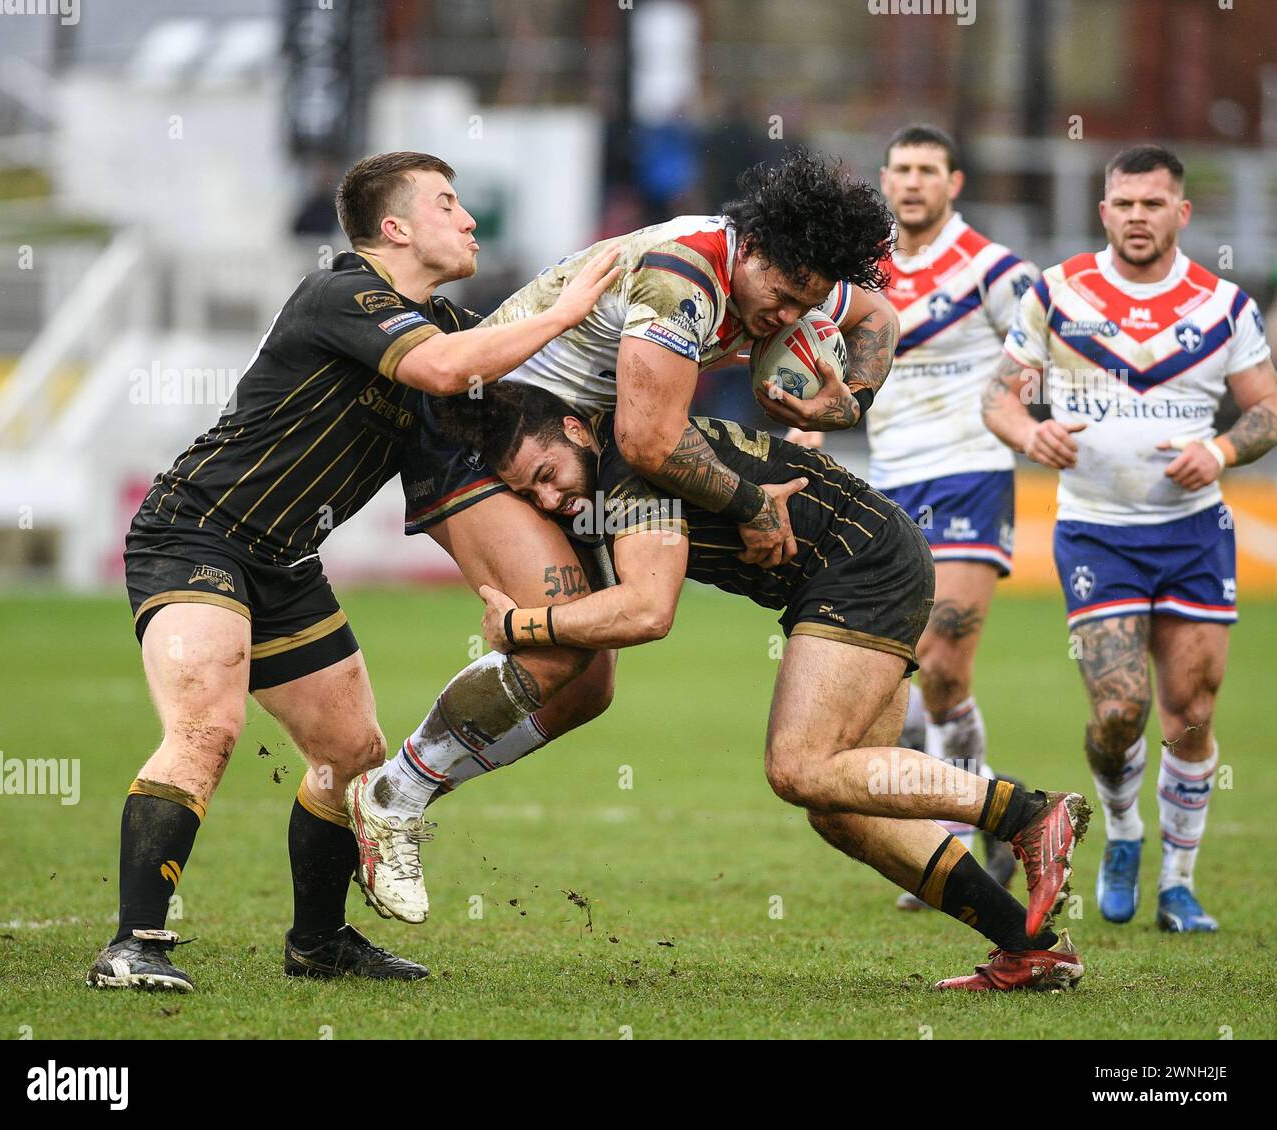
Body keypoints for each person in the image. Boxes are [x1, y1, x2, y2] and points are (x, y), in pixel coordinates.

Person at [87, 151, 621, 991]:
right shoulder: (343, 294)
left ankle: (319, 942)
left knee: (352, 752)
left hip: (285, 563)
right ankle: (132, 945)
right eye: (448, 203)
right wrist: (567, 310)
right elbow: (447, 369)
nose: (469, 220)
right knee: (206, 728)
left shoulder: (444, 324)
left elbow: (521, 381)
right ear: (395, 228)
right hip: (198, 535)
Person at [348, 149, 904, 922]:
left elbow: (879, 316)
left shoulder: (791, 268)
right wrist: (751, 504)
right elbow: (647, 441)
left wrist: (846, 404)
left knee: (587, 688)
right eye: (781, 298)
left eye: (804, 304)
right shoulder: (684, 276)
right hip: (482, 432)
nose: (787, 317)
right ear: (753, 249)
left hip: (569, 439)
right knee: (555, 647)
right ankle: (392, 798)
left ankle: (392, 800)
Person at [437, 381, 1090, 991]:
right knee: (842, 806)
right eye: (530, 493)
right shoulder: (621, 452)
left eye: (546, 475)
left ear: (576, 429)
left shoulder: (627, 467)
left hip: (860, 565)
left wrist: (521, 625)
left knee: (799, 766)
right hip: (867, 559)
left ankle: (1028, 816)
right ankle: (1030, 948)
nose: (548, 500)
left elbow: (647, 612)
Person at [983, 143, 1277, 932]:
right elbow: (1000, 398)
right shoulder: (1057, 294)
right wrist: (1030, 433)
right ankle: (1121, 832)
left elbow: (1267, 407)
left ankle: (1178, 885)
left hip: (1194, 533)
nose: (1137, 216)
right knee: (1120, 711)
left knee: (1191, 713)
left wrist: (1220, 451)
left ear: (1182, 212)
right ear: (1103, 209)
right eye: (1124, 203)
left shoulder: (1223, 306)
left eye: (1153, 203)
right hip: (1097, 532)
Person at [866, 123, 1040, 904]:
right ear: (885, 179)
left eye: (927, 170)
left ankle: (953, 844)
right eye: (901, 169)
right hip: (887, 483)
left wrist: (1031, 406)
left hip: (970, 472)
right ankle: (995, 821)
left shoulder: (994, 270)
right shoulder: (863, 271)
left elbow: (1041, 351)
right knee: (893, 674)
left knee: (941, 660)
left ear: (953, 182)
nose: (912, 182)